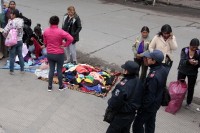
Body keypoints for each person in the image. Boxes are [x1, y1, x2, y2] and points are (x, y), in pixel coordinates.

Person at [132, 50, 168, 133]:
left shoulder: (153, 77)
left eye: (148, 58)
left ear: (154, 61)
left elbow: (150, 96)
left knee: (137, 125)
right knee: (150, 124)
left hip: (149, 106)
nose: (146, 59)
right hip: (156, 103)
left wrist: (141, 108)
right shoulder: (163, 69)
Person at [104, 61, 144, 133]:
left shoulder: (123, 85)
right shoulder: (139, 81)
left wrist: (110, 104)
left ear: (126, 71)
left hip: (121, 115)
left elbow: (116, 101)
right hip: (131, 114)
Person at [43, 16, 73, 91]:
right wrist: (65, 45)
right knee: (59, 70)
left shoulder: (46, 31)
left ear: (50, 22)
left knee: (51, 70)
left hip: (50, 53)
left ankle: (49, 86)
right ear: (58, 22)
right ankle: (60, 86)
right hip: (59, 54)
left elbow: (45, 43)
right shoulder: (60, 31)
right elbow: (71, 38)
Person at [177, 38, 200, 108]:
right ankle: (178, 100)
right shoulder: (185, 50)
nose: (194, 49)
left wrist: (197, 63)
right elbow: (182, 61)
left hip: (192, 73)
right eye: (193, 47)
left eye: (196, 47)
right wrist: (188, 62)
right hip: (182, 71)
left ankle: (188, 102)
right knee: (179, 86)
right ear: (190, 45)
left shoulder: (198, 52)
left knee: (191, 88)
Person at [1, 9, 24, 75]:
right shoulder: (21, 21)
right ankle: (22, 70)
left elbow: (5, 31)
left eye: (11, 14)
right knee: (20, 55)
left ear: (14, 15)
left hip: (12, 42)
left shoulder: (11, 22)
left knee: (12, 56)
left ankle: (11, 71)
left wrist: (6, 36)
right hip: (20, 41)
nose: (10, 15)